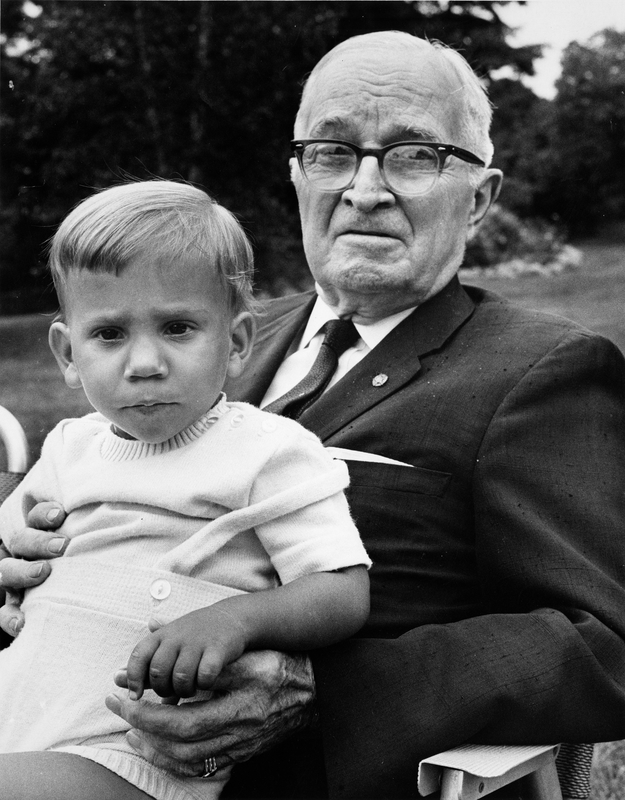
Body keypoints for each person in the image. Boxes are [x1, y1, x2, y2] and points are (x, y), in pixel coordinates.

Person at [2, 30, 625, 800]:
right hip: (46, 718)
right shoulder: (204, 335)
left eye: (412, 153)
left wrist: (320, 690)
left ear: (479, 198)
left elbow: (606, 644)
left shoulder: (535, 371)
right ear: (297, 174)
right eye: (331, 151)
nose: (364, 189)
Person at [0, 180, 371, 800]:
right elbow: (19, 532)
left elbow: (342, 587)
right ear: (68, 354)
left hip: (126, 756)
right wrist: (13, 527)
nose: (144, 362)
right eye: (109, 335)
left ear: (236, 342)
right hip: (20, 714)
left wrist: (238, 618)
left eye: (177, 328)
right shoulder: (70, 446)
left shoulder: (269, 450)